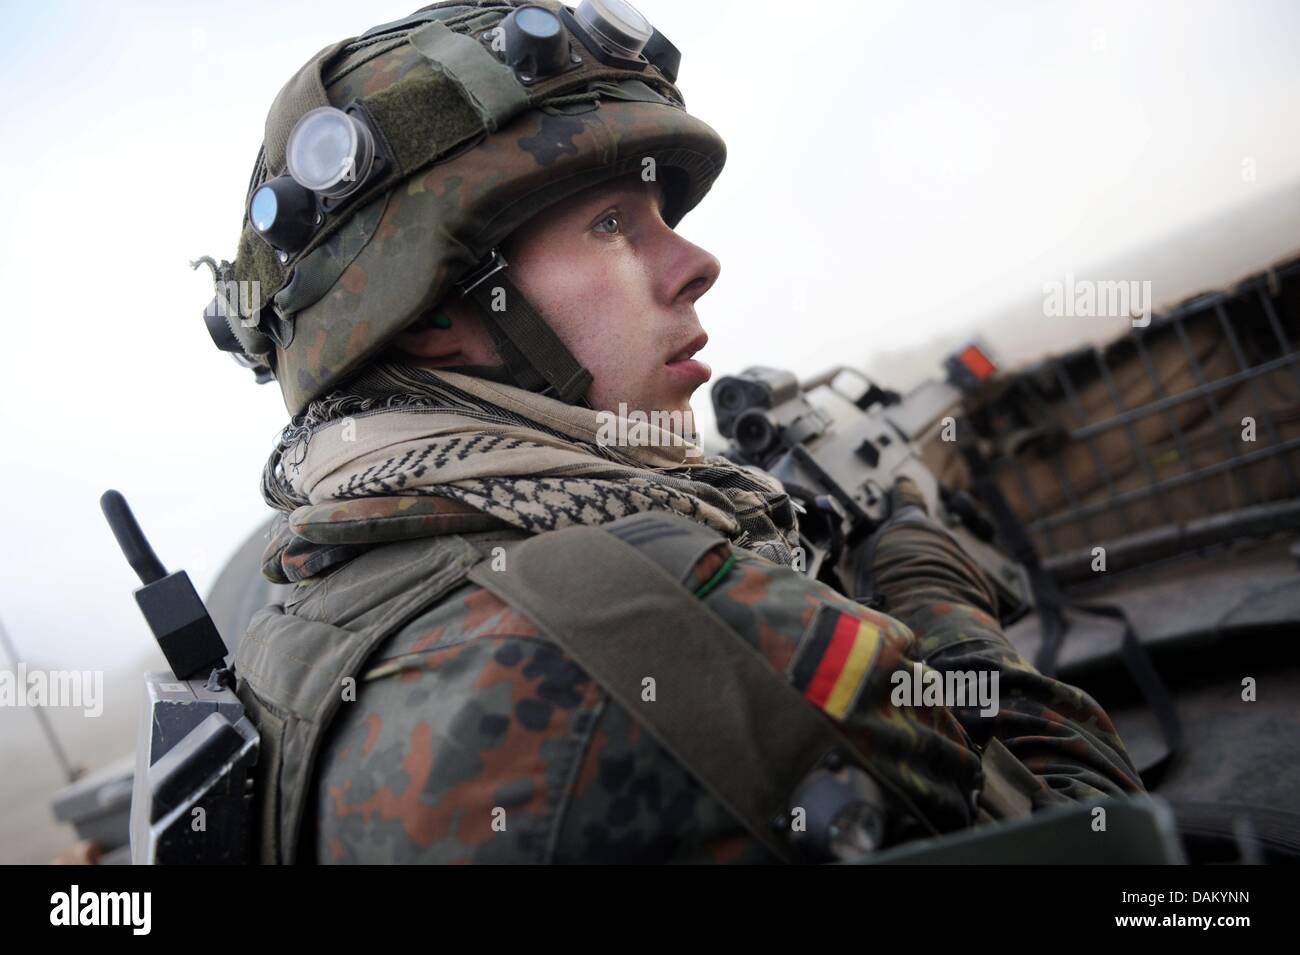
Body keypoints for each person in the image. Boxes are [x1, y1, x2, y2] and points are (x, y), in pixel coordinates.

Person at [207, 0, 1143, 864]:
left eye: (664, 216)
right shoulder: (681, 611)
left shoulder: (292, 616)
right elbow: (1096, 830)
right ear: (430, 314)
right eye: (613, 224)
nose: (698, 263)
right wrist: (921, 571)